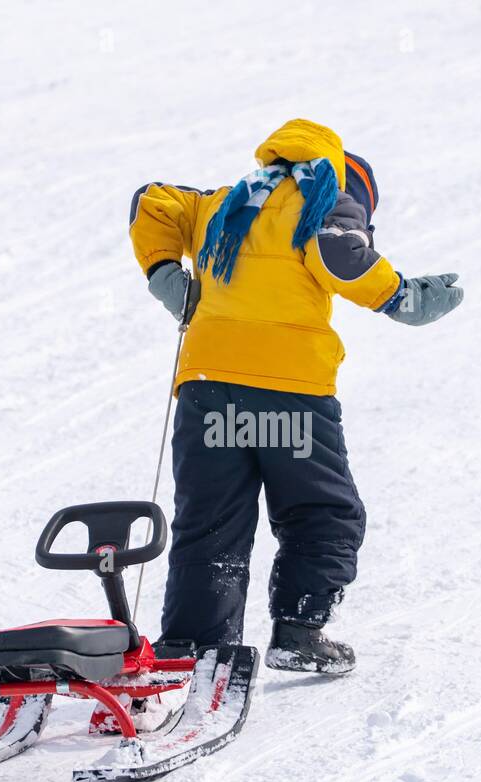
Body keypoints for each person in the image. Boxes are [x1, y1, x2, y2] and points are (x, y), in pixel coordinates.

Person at [128, 118, 462, 674]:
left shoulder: (224, 203)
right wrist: (402, 297)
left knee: (210, 517)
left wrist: (165, 272)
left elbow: (151, 201)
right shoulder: (327, 201)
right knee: (322, 512)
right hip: (289, 400)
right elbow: (338, 253)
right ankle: (300, 630)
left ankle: (193, 644)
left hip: (209, 393)